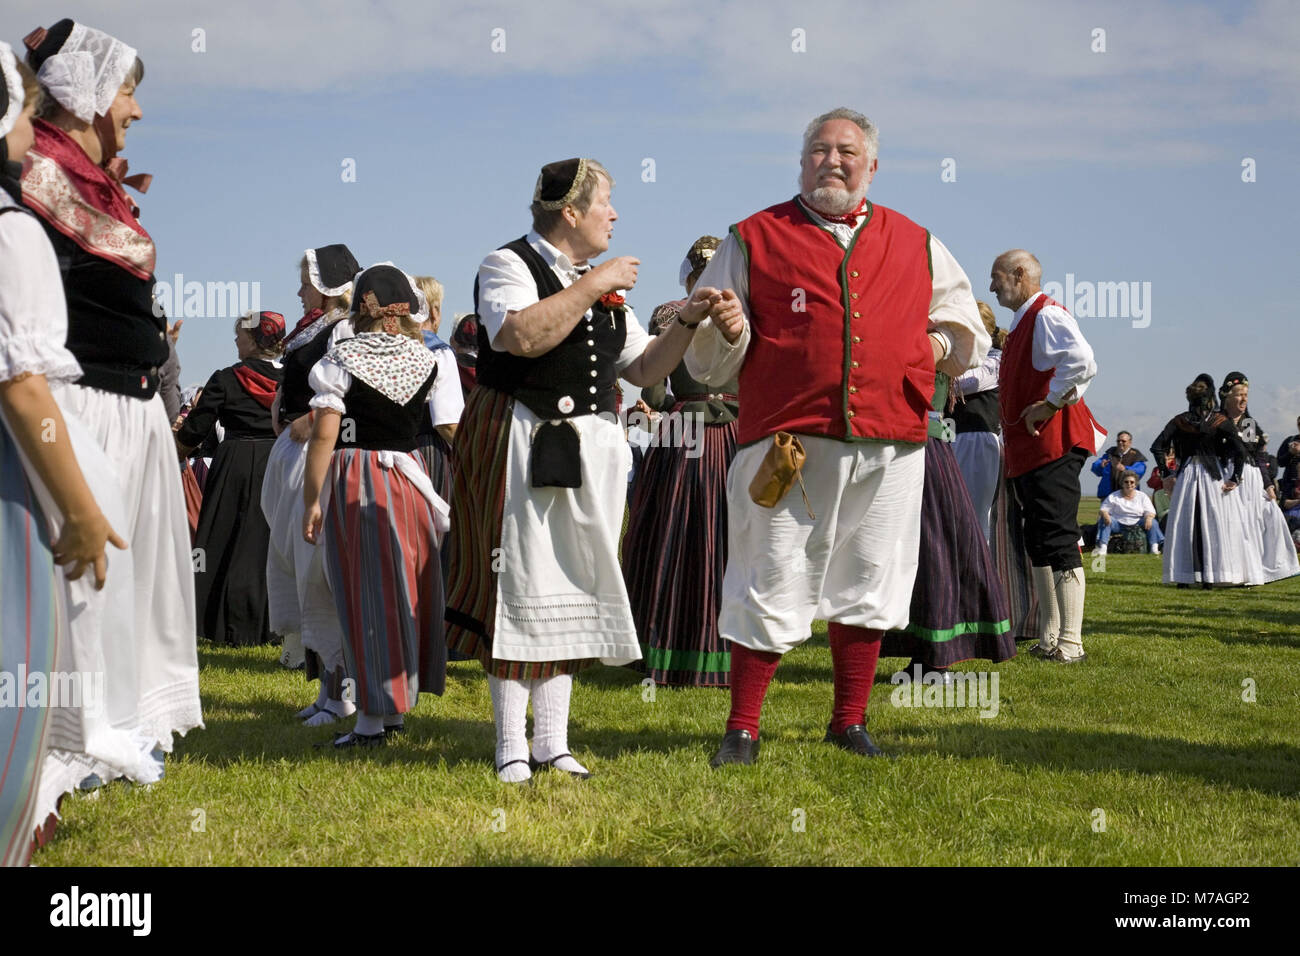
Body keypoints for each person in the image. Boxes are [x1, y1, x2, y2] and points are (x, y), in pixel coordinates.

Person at [685, 109, 988, 765]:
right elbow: (703, 360)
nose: (832, 161)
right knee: (769, 568)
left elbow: (966, 325)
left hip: (892, 443)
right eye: (819, 151)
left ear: (871, 167)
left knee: (871, 575)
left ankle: (848, 721)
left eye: (847, 152)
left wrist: (933, 343)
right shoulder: (753, 237)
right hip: (785, 444)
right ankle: (742, 728)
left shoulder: (917, 241)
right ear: (801, 164)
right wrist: (730, 331)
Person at [444, 158, 731, 781]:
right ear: (570, 213)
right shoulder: (508, 265)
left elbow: (645, 368)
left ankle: (553, 742)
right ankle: (509, 746)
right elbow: (518, 335)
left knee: (575, 584)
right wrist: (592, 285)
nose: (616, 215)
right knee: (519, 583)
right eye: (607, 202)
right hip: (522, 437)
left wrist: (688, 319)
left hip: (592, 450)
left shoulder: (599, 285)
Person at [23, 19, 202, 761]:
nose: (134, 110)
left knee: (139, 583)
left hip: (134, 410)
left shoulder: (95, 186)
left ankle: (130, 724)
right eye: (127, 91)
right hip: (84, 408)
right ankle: (80, 740)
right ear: (86, 94)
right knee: (93, 584)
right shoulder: (34, 179)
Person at [0, 42, 160, 863]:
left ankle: (102, 732)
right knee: (48, 613)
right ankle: (51, 765)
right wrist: (82, 506)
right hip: (62, 423)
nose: (134, 112)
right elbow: (24, 380)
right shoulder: (22, 213)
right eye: (127, 95)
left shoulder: (65, 194)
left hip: (96, 414)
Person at [302, 264, 450, 747]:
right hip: (409, 476)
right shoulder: (426, 357)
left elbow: (325, 433)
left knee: (363, 594)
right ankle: (394, 709)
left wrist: (311, 498)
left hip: (358, 478)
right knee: (404, 592)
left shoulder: (342, 358)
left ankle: (369, 720)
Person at [623, 235, 739, 687]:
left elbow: (652, 392)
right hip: (734, 433)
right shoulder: (741, 316)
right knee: (727, 538)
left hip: (681, 431)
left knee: (668, 533)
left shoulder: (671, 315)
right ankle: (726, 652)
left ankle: (659, 644)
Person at [990, 249, 1104, 664]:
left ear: (1020, 275)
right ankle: (1050, 633)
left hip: (1053, 442)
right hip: (1031, 446)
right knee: (1036, 538)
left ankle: (1071, 641)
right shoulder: (1025, 320)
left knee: (1055, 535)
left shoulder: (1047, 315)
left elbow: (1082, 362)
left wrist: (1050, 403)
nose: (992, 286)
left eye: (997, 277)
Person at [262, 244, 359, 712]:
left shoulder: (343, 329)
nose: (300, 292)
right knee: (298, 571)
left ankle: (340, 693)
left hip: (319, 459)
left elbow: (346, 394)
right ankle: (325, 689)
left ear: (326, 286)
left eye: (306, 283)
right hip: (295, 455)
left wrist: (309, 420)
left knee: (317, 575)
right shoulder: (316, 329)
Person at [880, 373, 1013, 673]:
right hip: (904, 441)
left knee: (935, 548)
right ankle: (922, 654)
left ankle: (935, 658)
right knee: (907, 551)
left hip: (925, 445)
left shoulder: (944, 335)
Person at [175, 311, 285, 645]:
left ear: (253, 340)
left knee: (226, 542)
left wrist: (174, 450)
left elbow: (195, 429)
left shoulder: (225, 378)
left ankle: (224, 626)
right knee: (269, 544)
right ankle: (273, 627)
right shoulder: (293, 379)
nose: (236, 340)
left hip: (234, 462)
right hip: (277, 463)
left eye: (240, 335)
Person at [1151, 374, 1249, 586]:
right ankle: (1211, 576)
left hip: (1187, 476)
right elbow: (1241, 449)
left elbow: (1157, 446)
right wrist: (1235, 477)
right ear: (1210, 398)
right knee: (1213, 524)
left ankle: (1184, 576)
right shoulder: (1219, 421)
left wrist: (1166, 475)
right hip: (1212, 477)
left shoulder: (1179, 421)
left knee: (1185, 524)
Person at [1218, 371, 1299, 583]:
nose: (1244, 399)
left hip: (1249, 478)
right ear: (1227, 396)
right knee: (1231, 524)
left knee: (1259, 521)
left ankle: (1260, 569)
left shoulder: (1248, 425)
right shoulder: (1217, 421)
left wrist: (1268, 484)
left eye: (1246, 395)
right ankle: (1232, 571)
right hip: (1224, 476)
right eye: (1239, 395)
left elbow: (1257, 457)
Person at [950, 301, 1004, 543]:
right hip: (952, 435)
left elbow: (967, 382)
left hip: (977, 437)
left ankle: (980, 573)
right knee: (953, 511)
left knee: (976, 514)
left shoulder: (995, 359)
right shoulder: (962, 360)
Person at [1093, 471, 1163, 554]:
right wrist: (1105, 514)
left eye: (1132, 482)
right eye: (1126, 482)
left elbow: (1151, 511)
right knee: (1103, 520)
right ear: (1122, 483)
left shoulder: (1142, 496)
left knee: (1153, 522)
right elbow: (1103, 509)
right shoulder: (1114, 496)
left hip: (1137, 522)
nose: (1129, 484)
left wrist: (1149, 518)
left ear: (1135, 484)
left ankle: (1154, 548)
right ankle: (1103, 547)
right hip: (1118, 523)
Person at [1090, 430, 1147, 499]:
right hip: (1108, 495)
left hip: (1128, 495)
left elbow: (1140, 471)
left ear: (1130, 442)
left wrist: (1125, 469)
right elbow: (1095, 468)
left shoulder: (1136, 456)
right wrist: (1100, 466)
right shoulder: (1109, 455)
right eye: (1118, 441)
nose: (1120, 443)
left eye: (1123, 441)